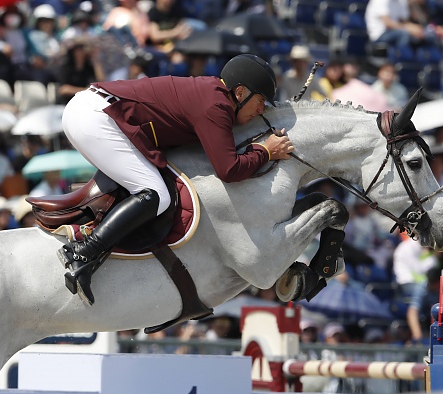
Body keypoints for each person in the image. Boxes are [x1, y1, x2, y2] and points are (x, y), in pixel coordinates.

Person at [56, 54, 293, 304]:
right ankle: (83, 252)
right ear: (241, 92)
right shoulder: (217, 105)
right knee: (156, 194)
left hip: (93, 111)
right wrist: (266, 151)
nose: (261, 109)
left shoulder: (214, 95)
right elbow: (229, 170)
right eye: (260, 100)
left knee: (152, 189)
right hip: (96, 117)